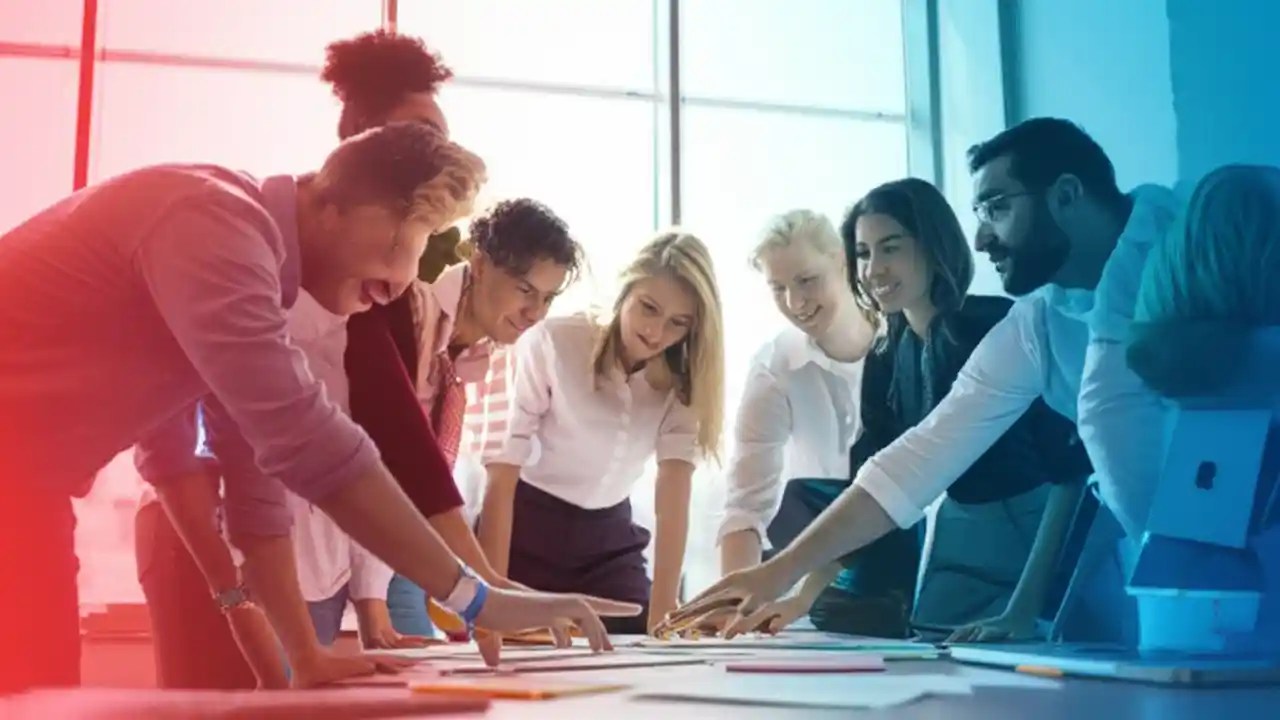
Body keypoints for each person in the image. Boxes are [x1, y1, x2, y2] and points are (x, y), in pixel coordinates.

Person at [0, 121, 635, 695]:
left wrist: (301, 656)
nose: (402, 274)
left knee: (37, 692)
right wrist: (475, 598)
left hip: (27, 496)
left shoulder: (246, 271)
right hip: (17, 489)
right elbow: (307, 439)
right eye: (401, 234)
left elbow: (250, 475)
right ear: (330, 204)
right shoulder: (215, 224)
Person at [659, 117, 1179, 641]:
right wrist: (782, 579)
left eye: (997, 207)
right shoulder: (1028, 325)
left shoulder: (1194, 246)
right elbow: (904, 468)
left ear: (1067, 195)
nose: (982, 237)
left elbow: (1074, 470)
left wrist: (1027, 608)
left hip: (1076, 549)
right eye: (863, 252)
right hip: (1012, 541)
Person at [130, 29, 461, 688]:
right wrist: (476, 593)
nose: (438, 156)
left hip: (268, 552)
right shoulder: (239, 240)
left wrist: (299, 651)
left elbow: (250, 447)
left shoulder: (344, 273)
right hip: (191, 533)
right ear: (361, 152)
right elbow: (328, 449)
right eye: (420, 138)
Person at [346, 198, 583, 637]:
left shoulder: (492, 357)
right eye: (525, 290)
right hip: (341, 545)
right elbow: (393, 462)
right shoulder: (408, 312)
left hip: (400, 555)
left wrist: (491, 599)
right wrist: (486, 591)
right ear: (479, 263)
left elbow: (490, 478)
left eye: (548, 298)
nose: (536, 314)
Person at [479, 231, 725, 633]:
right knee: (520, 649)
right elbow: (502, 472)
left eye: (677, 323)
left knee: (639, 635)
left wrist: (663, 616)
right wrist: (491, 598)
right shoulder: (555, 341)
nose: (656, 332)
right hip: (525, 532)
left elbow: (674, 495)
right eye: (648, 308)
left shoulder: (683, 384)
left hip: (608, 546)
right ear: (625, 290)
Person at [716, 210, 921, 637]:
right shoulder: (776, 366)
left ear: (845, 264)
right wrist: (736, 609)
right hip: (818, 571)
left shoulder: (905, 344)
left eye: (807, 280)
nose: (795, 302)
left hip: (916, 555)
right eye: (778, 288)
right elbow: (746, 505)